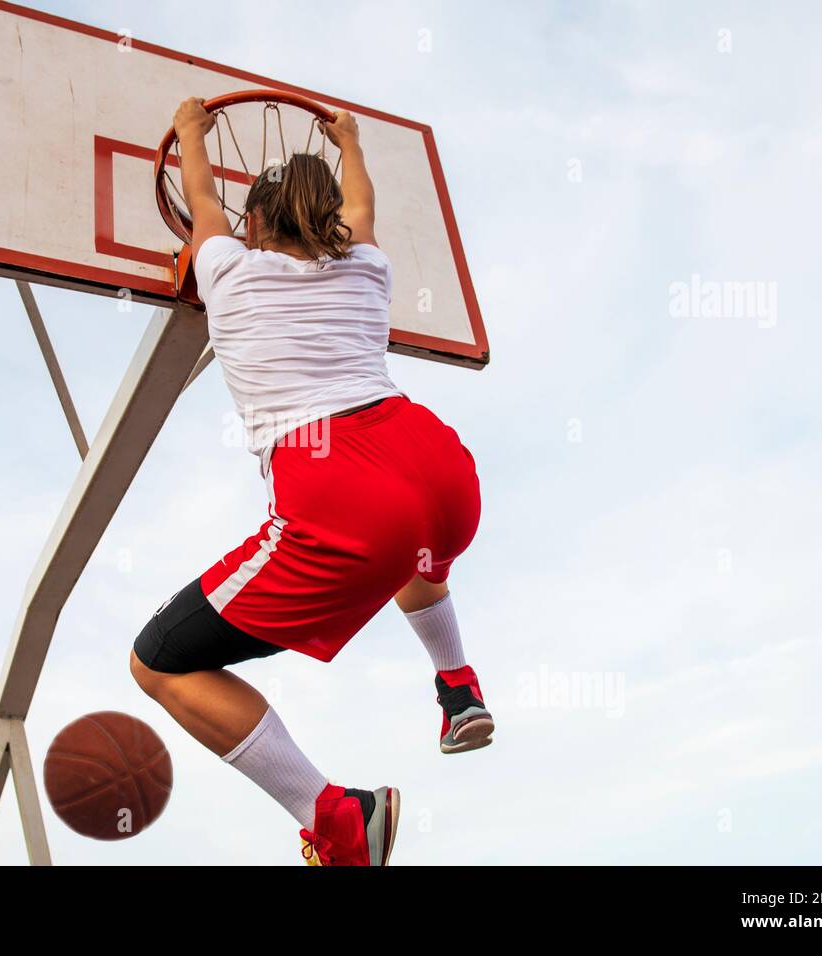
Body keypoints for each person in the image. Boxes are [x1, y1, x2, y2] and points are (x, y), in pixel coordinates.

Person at [130, 97, 489, 866]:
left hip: (338, 484)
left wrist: (192, 133)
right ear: (328, 219)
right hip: (437, 463)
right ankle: (457, 684)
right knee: (413, 553)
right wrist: (351, 140)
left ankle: (333, 816)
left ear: (250, 224)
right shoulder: (367, 266)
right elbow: (362, 205)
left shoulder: (223, 262)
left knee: (156, 661)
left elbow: (200, 199)